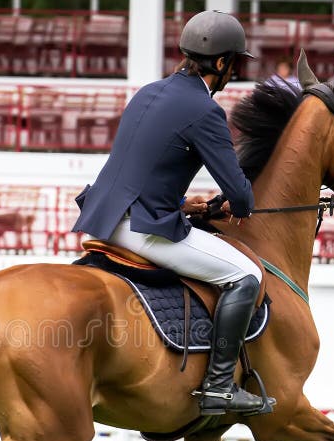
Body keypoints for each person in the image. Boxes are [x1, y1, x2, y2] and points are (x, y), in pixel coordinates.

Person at [72, 10, 271, 416]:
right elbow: (240, 194)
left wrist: (182, 205)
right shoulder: (205, 109)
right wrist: (239, 201)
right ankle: (219, 387)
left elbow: (138, 169)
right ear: (220, 63)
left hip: (103, 218)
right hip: (142, 230)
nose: (233, 73)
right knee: (246, 274)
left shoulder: (148, 91)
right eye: (233, 64)